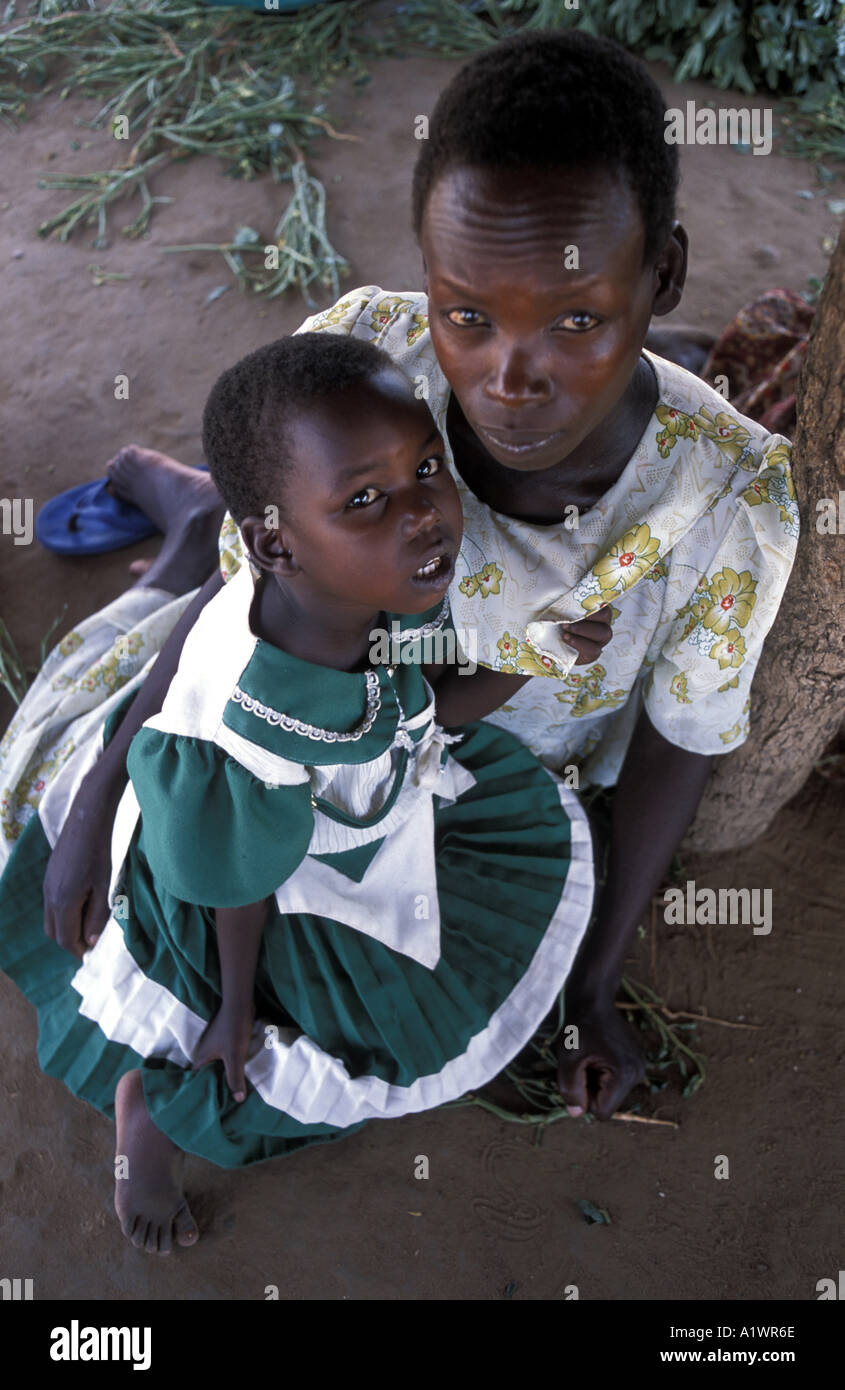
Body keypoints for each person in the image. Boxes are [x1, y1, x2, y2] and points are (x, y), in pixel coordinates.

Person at [2, 29, 799, 1128]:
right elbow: (240, 623)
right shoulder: (367, 367)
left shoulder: (725, 499)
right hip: (316, 749)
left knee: (339, 1015)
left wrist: (593, 984)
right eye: (464, 313)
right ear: (425, 278)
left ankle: (190, 510)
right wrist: (99, 799)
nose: (506, 381)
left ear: (660, 274)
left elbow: (679, 738)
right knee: (181, 915)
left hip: (461, 794)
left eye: (575, 320)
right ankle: (197, 520)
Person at [0, 334, 596, 1253]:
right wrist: (235, 1011)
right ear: (275, 541)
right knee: (305, 1051)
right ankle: (157, 1119)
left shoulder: (365, 591)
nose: (423, 513)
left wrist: (539, 653)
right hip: (230, 891)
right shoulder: (257, 718)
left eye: (426, 468)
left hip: (340, 831)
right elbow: (234, 879)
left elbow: (419, 710)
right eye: (364, 498)